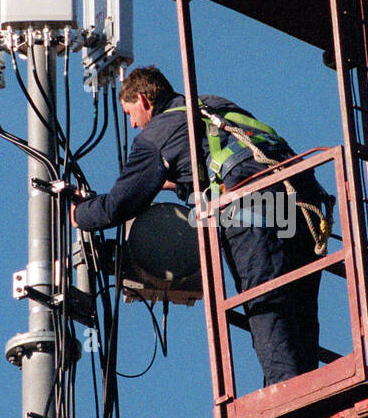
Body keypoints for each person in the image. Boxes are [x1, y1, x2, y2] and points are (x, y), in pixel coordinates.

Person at [70, 65, 326, 386]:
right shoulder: (212, 105)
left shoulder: (157, 134)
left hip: (252, 206)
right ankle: (307, 388)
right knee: (298, 306)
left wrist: (80, 213)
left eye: (129, 113)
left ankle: (287, 397)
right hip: (302, 200)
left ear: (143, 99)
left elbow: (119, 205)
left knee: (266, 304)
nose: (133, 124)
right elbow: (209, 163)